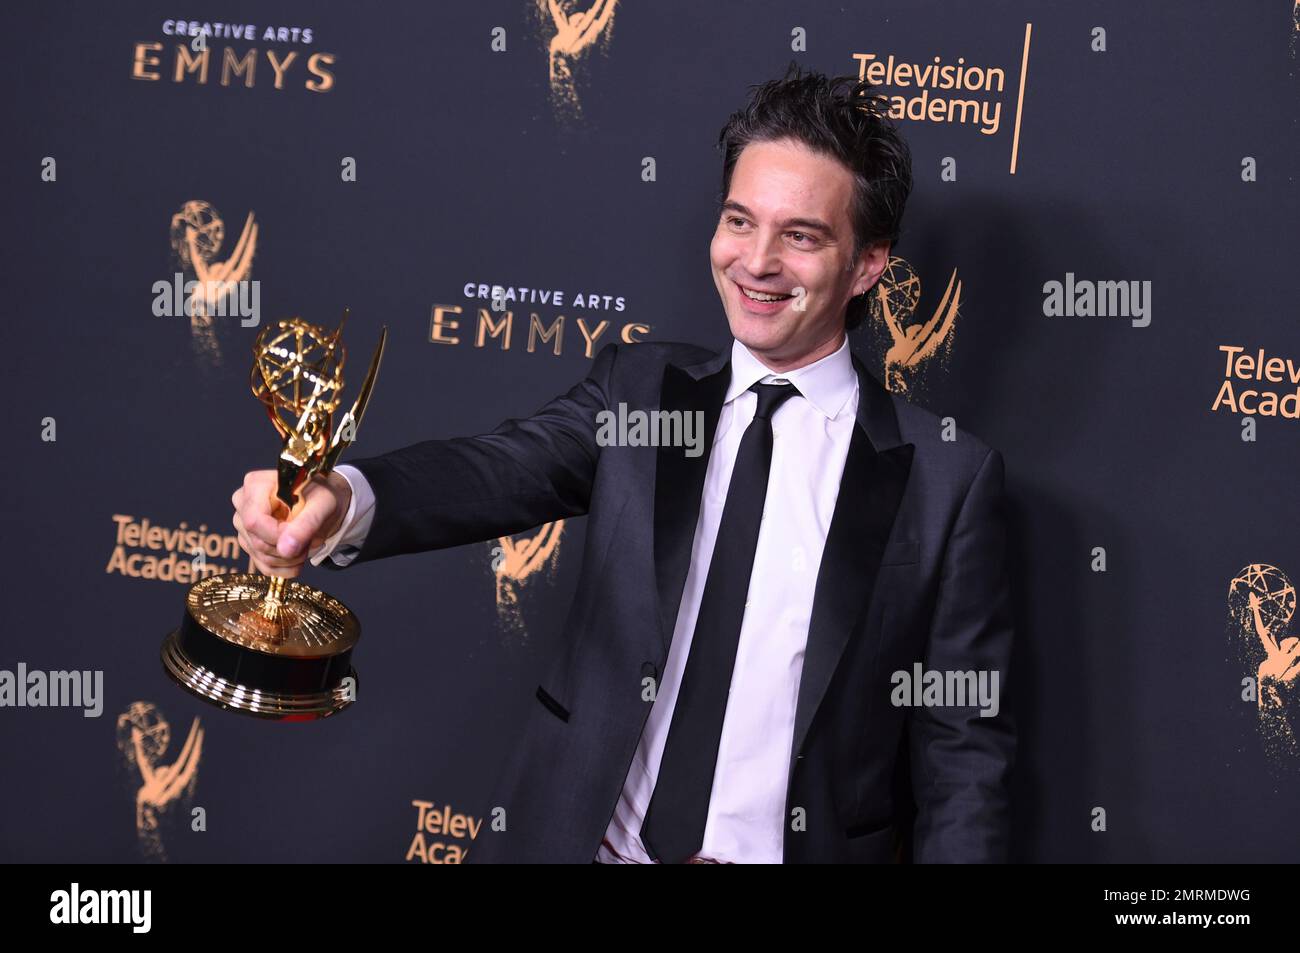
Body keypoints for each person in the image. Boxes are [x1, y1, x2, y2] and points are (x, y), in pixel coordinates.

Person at [231, 64, 1016, 863]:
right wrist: (343, 496)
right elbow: (496, 469)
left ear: (868, 264)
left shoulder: (944, 480)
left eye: (802, 236)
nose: (757, 261)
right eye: (739, 221)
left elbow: (963, 759)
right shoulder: (639, 389)